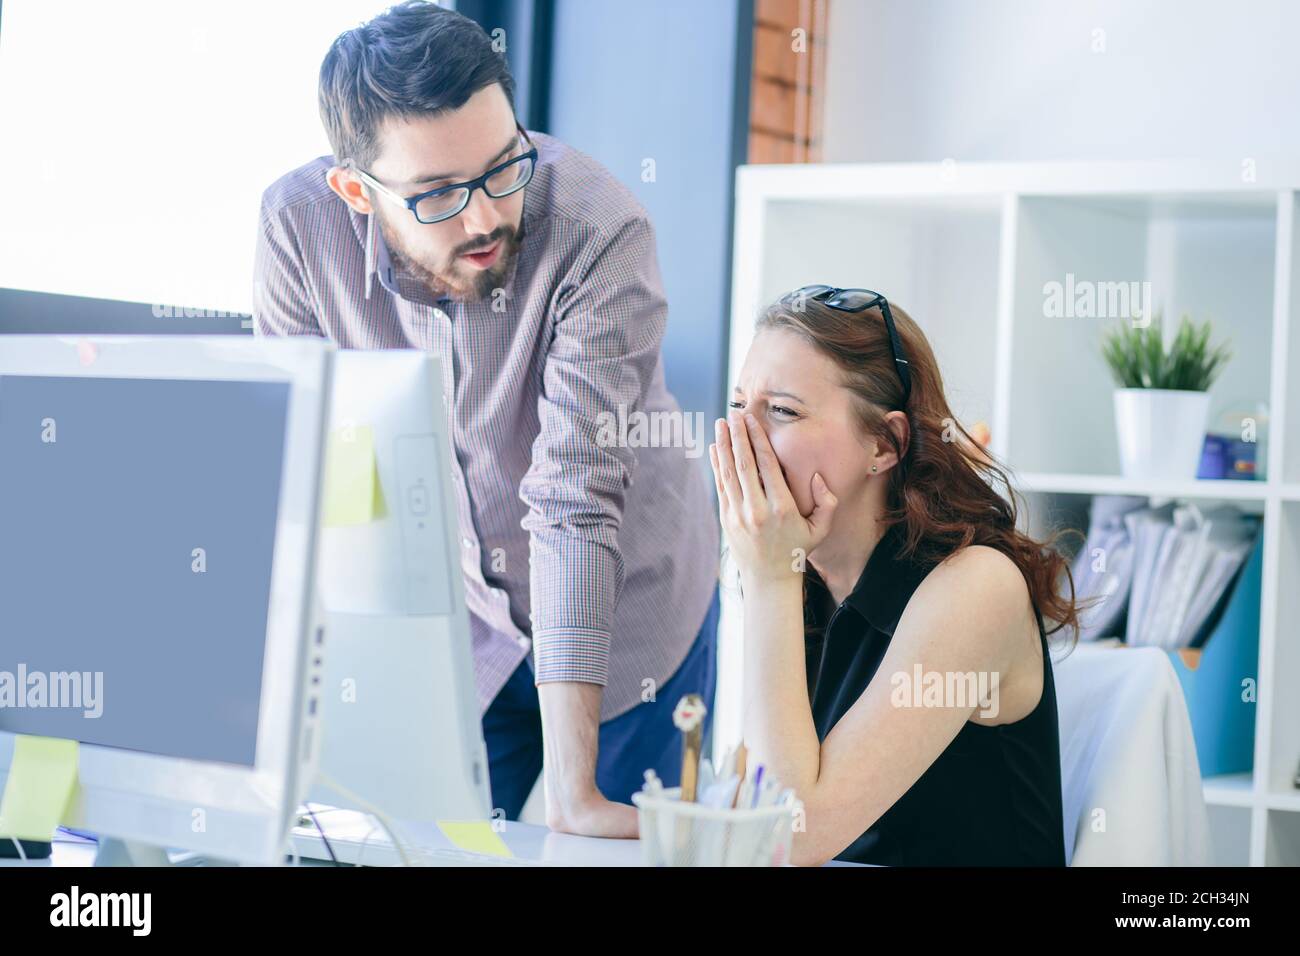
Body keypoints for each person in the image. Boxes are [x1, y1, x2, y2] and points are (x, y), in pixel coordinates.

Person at [253, 1, 718, 837]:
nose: (484, 218)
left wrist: (576, 796)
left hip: (633, 617)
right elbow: (304, 467)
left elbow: (575, 496)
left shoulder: (596, 228)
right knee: (462, 850)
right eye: (436, 195)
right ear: (356, 191)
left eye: (507, 167)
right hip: (465, 635)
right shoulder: (296, 231)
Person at [709, 285, 1078, 865]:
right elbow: (744, 815)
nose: (738, 437)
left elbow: (786, 837)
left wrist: (768, 578)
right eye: (737, 406)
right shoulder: (803, 577)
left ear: (885, 443)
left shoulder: (977, 586)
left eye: (781, 410)